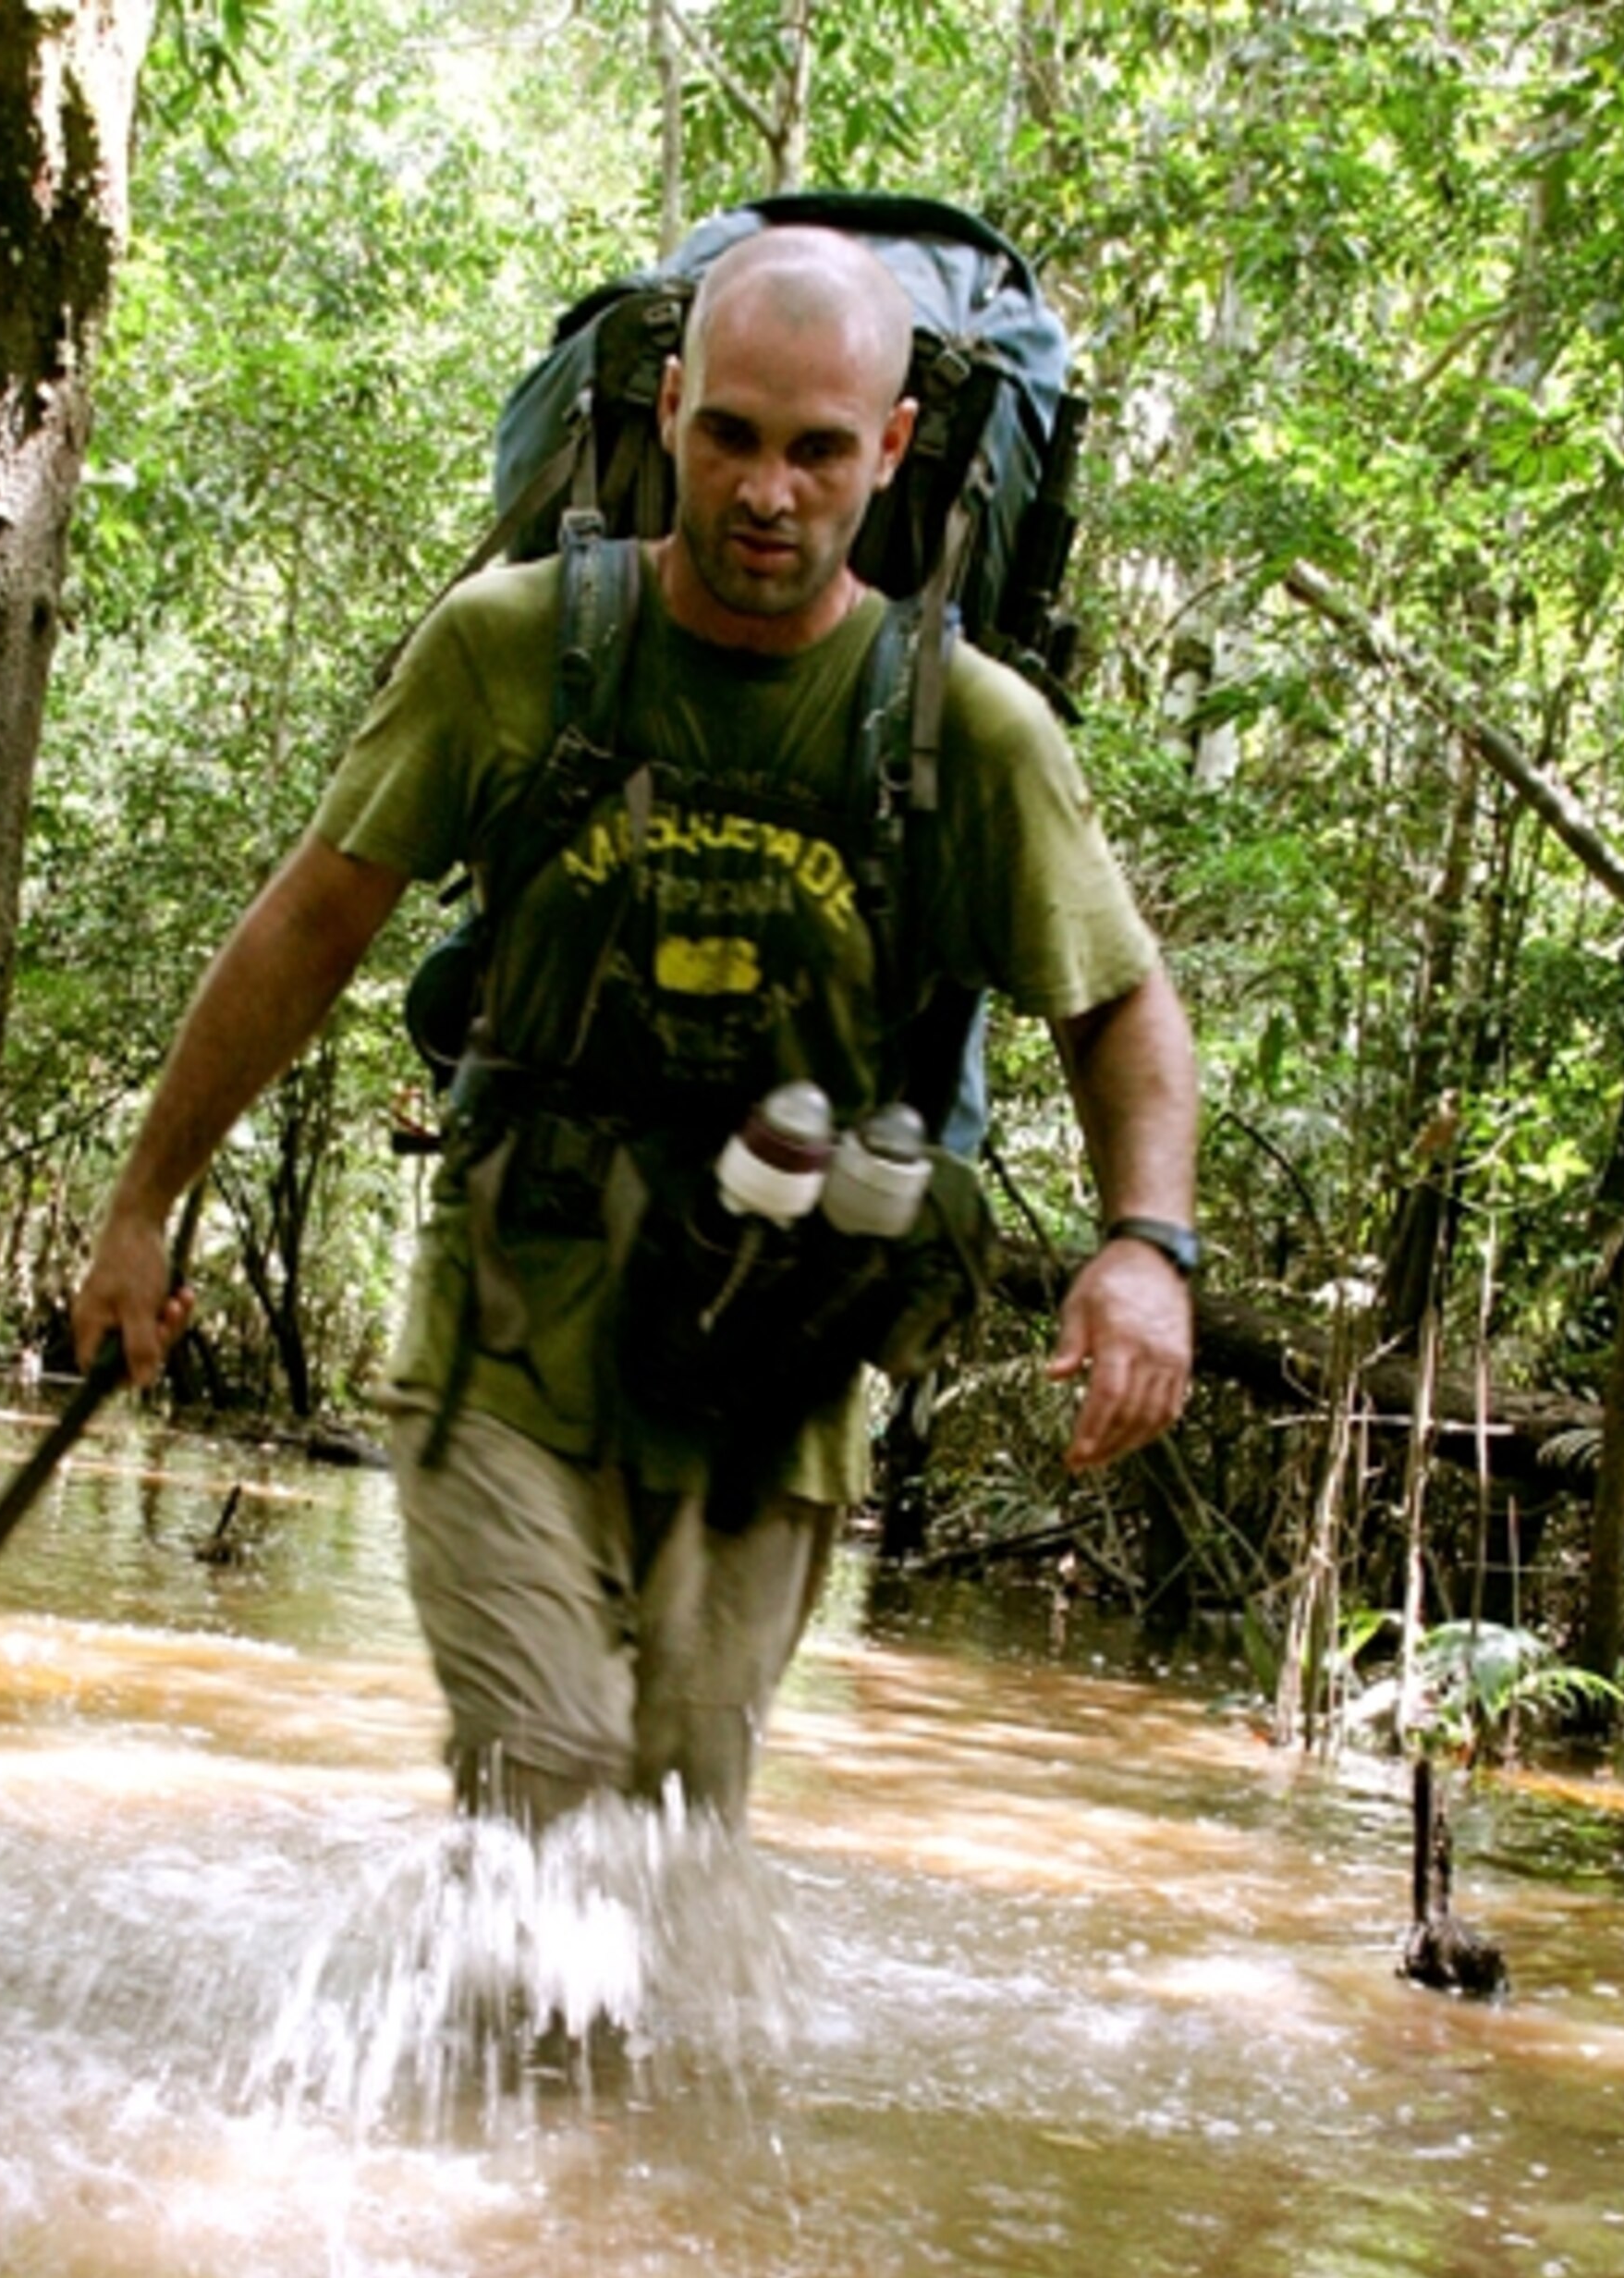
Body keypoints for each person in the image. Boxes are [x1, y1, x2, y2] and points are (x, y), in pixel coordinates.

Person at [74, 225, 1198, 1832]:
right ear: (668, 409)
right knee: (547, 1767)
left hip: (773, 1381)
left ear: (889, 453)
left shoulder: (972, 733)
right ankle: (448, 2071)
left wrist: (1145, 1247)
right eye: (730, 435)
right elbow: (308, 930)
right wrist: (138, 1210)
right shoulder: (513, 650)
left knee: (672, 1826)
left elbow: (1119, 1004)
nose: (765, 492)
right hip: (505, 1337)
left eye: (818, 450)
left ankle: (529, 2083)